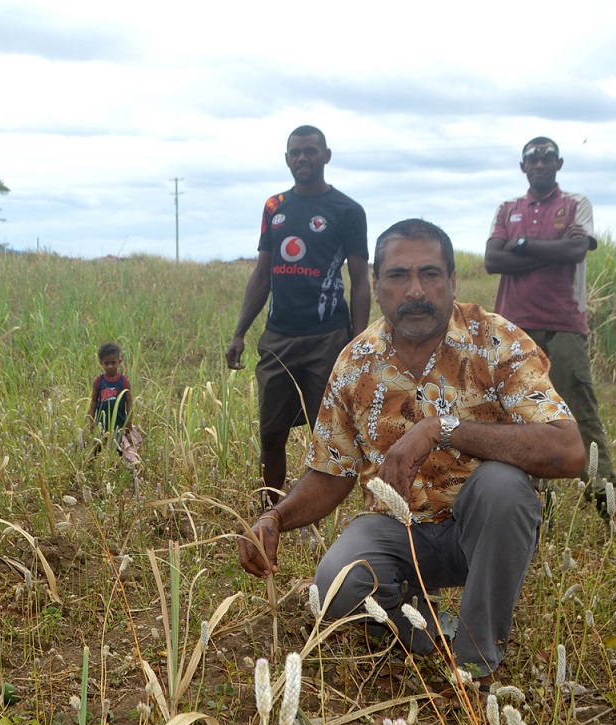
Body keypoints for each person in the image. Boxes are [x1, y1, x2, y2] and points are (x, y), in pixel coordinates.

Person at [237, 219, 585, 685]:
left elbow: (569, 450)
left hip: (481, 531)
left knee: (503, 488)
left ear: (453, 282)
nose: (415, 290)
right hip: (395, 530)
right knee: (336, 585)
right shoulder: (355, 362)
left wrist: (444, 429)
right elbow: (331, 475)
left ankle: (476, 661)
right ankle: (433, 630)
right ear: (377, 286)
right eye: (398, 276)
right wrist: (274, 518)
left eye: (430, 274)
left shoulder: (497, 341)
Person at [484, 136, 616, 518]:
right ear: (522, 167)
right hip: (515, 327)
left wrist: (521, 246)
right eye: (531, 158)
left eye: (547, 157)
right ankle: (530, 504)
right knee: (519, 414)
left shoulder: (576, 205)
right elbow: (492, 260)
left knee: (580, 410)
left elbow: (575, 251)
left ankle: (607, 497)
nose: (539, 163)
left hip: (564, 322)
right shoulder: (507, 208)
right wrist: (546, 250)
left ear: (559, 163)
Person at [225, 125, 370, 505]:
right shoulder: (274, 206)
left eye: (310, 151)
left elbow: (360, 280)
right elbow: (262, 274)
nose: (302, 158)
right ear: (286, 158)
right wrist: (239, 332)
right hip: (278, 338)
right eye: (295, 152)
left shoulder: (348, 211)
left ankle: (308, 511)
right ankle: (271, 510)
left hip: (327, 337)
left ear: (326, 156)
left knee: (327, 432)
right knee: (271, 433)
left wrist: (356, 342)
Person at [87, 342, 138, 464]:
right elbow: (94, 401)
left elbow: (129, 401)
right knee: (95, 449)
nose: (110, 366)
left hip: (119, 424)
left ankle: (126, 472)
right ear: (101, 363)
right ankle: (90, 469)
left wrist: (129, 421)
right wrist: (91, 420)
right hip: (102, 424)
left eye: (113, 362)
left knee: (122, 450)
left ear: (119, 362)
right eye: (106, 363)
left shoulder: (124, 381)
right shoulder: (98, 382)